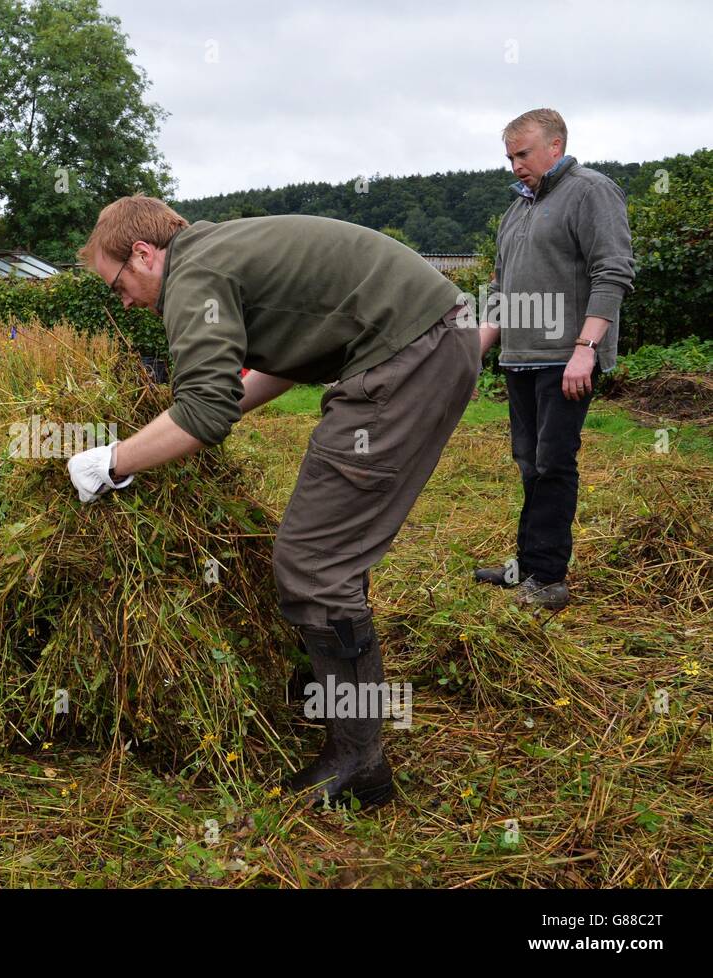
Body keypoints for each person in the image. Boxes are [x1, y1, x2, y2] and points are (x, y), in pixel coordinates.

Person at [67, 196, 479, 809]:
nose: (123, 300)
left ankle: (358, 763)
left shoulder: (193, 277)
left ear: (145, 254)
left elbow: (204, 412)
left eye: (119, 283)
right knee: (327, 558)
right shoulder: (221, 253)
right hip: (431, 339)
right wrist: (172, 427)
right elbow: (283, 367)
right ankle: (345, 711)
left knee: (313, 564)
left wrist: (113, 461)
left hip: (405, 357)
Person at [474, 109, 636, 609]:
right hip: (520, 356)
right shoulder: (518, 209)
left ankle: (548, 579)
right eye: (509, 157)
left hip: (566, 357)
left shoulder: (591, 191)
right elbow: (500, 290)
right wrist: (472, 351)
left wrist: (585, 350)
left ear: (555, 146)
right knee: (528, 461)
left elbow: (613, 273)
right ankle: (528, 563)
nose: (515, 166)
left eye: (523, 154)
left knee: (552, 462)